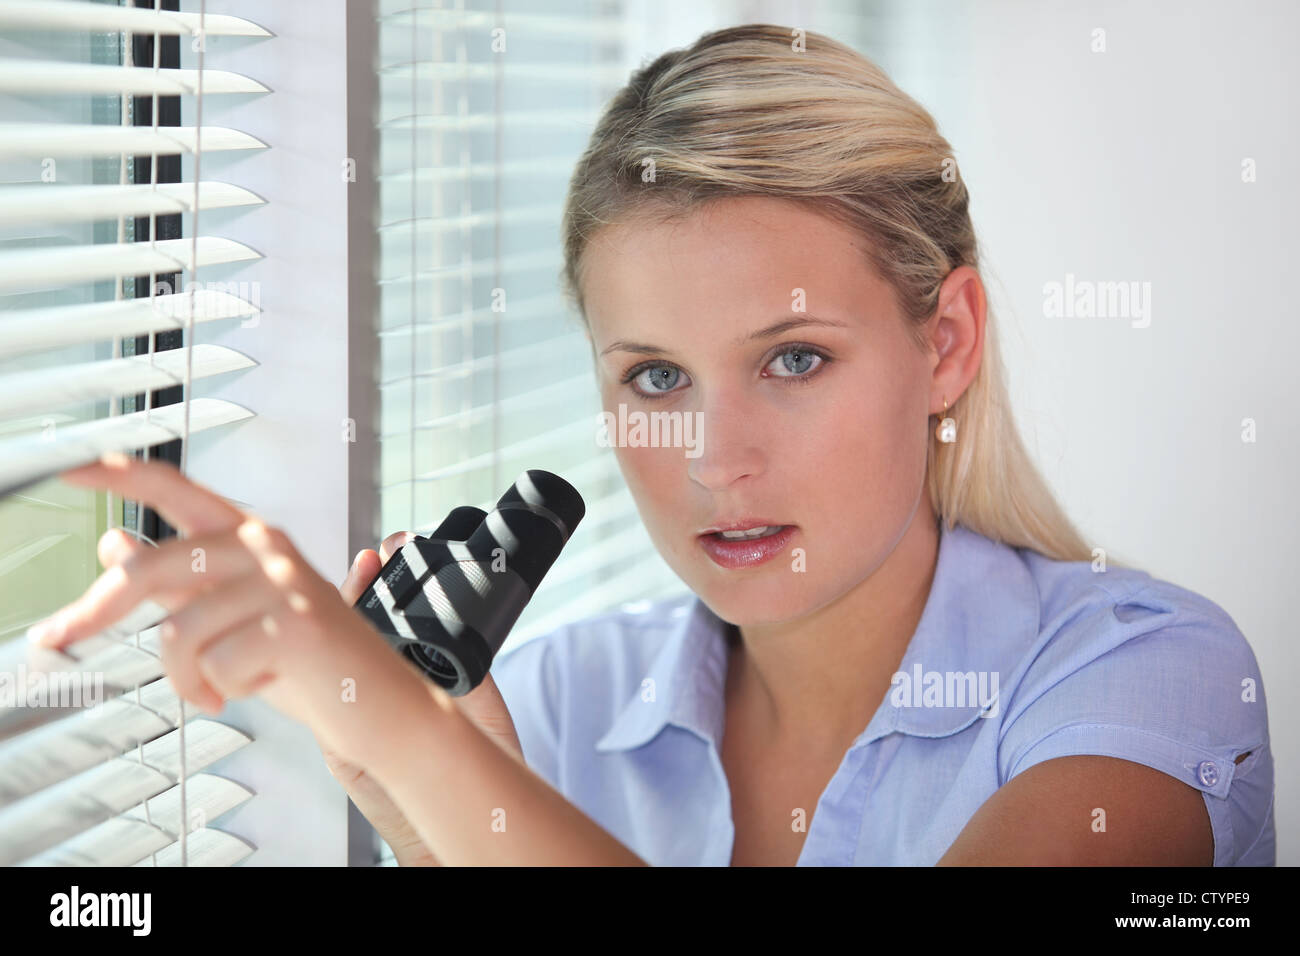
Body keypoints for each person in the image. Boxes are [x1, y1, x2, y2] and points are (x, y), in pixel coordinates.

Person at [34, 24, 1272, 867]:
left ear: (943, 341)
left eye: (793, 359)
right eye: (656, 376)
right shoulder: (550, 712)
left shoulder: (1149, 680)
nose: (713, 459)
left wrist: (416, 745)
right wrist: (402, 787)